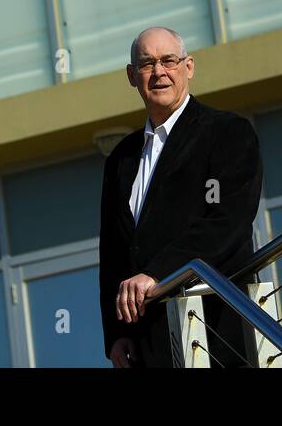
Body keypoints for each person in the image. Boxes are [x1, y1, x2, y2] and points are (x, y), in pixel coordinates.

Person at [98, 26, 263, 368]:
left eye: (168, 60)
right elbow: (113, 252)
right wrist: (116, 333)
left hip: (215, 333)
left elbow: (227, 221)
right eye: (147, 64)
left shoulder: (226, 133)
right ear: (132, 76)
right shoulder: (122, 158)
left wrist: (157, 273)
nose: (159, 72)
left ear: (188, 67)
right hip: (147, 346)